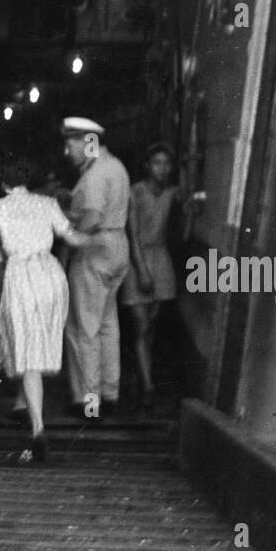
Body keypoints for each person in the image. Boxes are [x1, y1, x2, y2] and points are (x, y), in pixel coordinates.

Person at [0, 156, 95, 464]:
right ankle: (23, 403)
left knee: (25, 351)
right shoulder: (47, 204)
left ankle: (38, 428)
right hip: (51, 276)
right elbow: (72, 237)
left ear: (4, 184)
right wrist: (100, 239)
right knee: (37, 344)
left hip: (20, 276)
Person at [60, 117, 131, 419]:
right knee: (107, 325)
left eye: (70, 143)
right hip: (118, 245)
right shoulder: (116, 167)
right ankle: (109, 395)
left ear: (89, 142)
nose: (67, 151)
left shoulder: (94, 175)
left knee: (83, 328)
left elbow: (91, 216)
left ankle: (89, 403)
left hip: (95, 248)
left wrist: (69, 236)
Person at [123, 142, 180, 411]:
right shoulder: (135, 192)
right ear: (148, 165)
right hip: (139, 259)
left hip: (162, 258)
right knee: (141, 325)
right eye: (157, 162)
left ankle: (140, 372)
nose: (162, 168)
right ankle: (148, 387)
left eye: (166, 163)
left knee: (153, 324)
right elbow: (132, 234)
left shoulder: (172, 193)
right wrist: (142, 270)